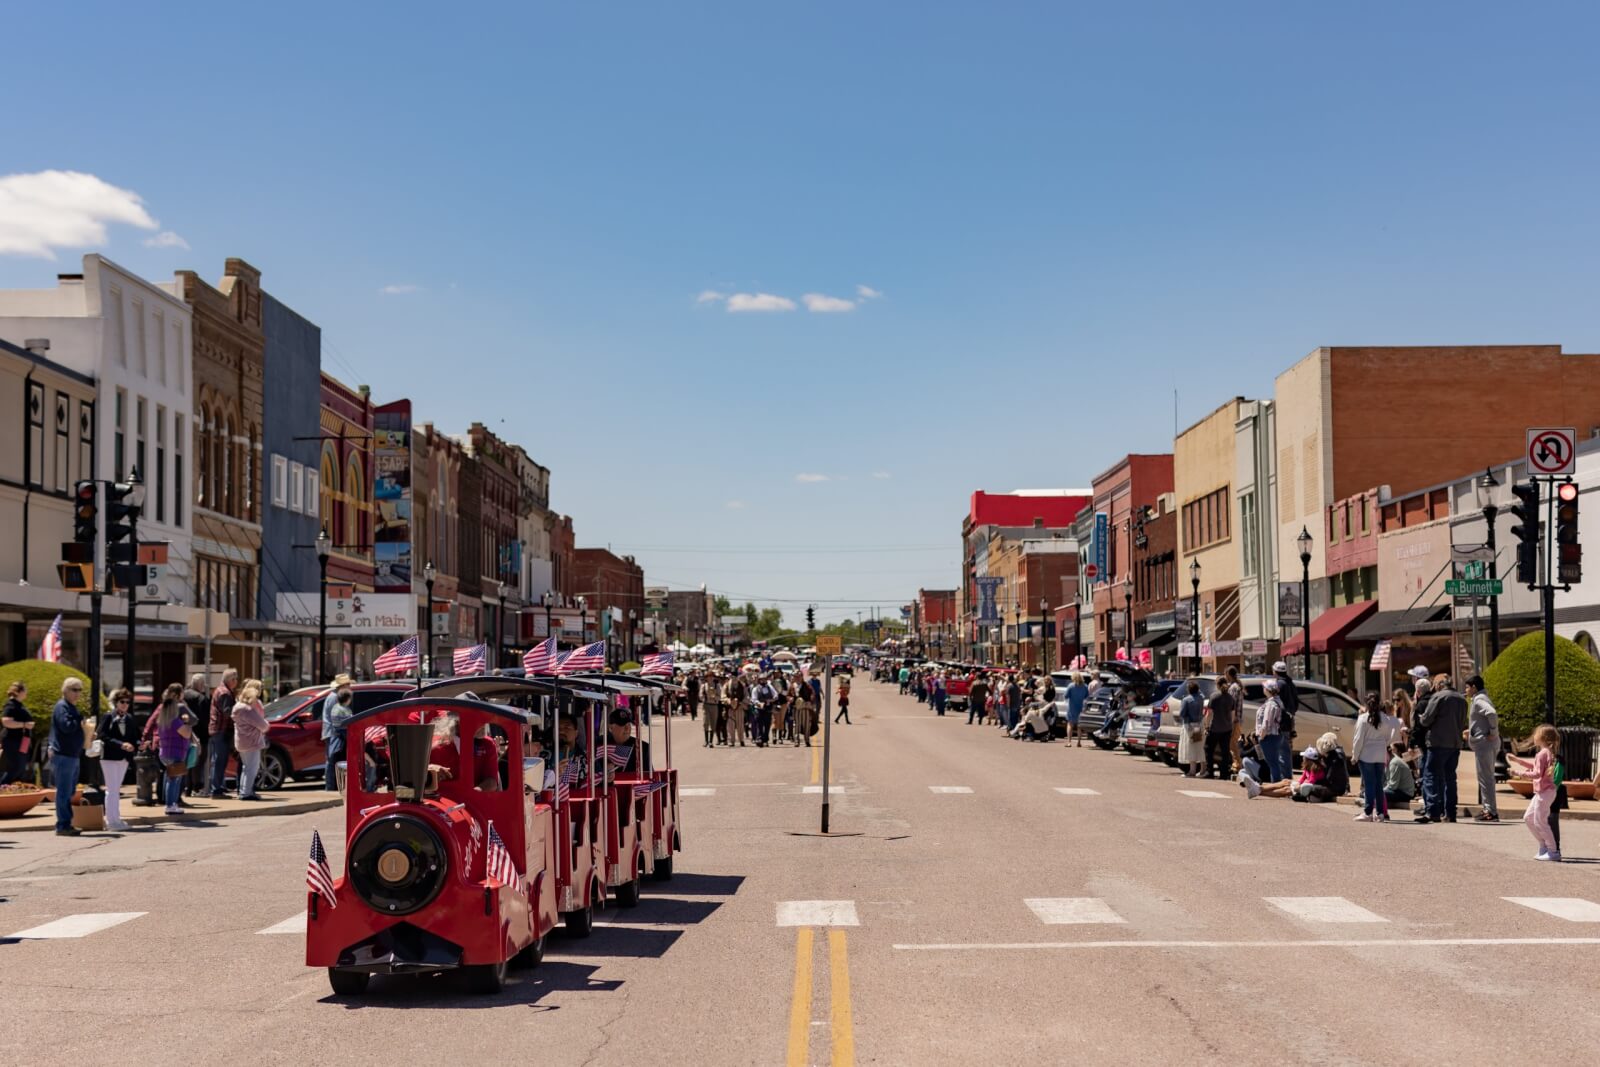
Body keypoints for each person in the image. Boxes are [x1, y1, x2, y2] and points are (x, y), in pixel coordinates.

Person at [1414, 672, 1465, 824]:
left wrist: (1421, 717)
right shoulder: (1462, 699)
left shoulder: (1438, 697)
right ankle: (1450, 813)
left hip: (1437, 743)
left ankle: (1433, 811)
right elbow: (1463, 722)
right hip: (1455, 743)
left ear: (1440, 684)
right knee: (1450, 778)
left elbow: (1426, 720)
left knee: (1431, 776)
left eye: (1435, 684)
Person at [1508, 724, 1561, 861]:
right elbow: (1536, 767)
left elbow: (1537, 773)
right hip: (1542, 792)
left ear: (1542, 737)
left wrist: (1517, 773)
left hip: (1545, 792)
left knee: (1540, 821)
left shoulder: (1543, 753)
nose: (1534, 736)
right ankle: (1544, 846)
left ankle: (1553, 851)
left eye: (1536, 734)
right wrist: (1518, 761)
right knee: (1529, 818)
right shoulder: (1545, 752)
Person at [1350, 694, 1401, 822]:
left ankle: (1367, 812)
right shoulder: (1386, 719)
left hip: (1366, 755)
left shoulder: (1363, 719)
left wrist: (1354, 756)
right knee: (1379, 785)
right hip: (1380, 755)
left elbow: (1358, 740)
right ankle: (1380, 813)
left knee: (1369, 784)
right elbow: (1389, 736)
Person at [47, 677, 87, 836]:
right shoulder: (62, 707)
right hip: (63, 755)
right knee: (64, 791)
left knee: (69, 791)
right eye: (74, 690)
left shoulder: (70, 707)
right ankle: (63, 825)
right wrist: (79, 720)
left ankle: (65, 823)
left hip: (72, 754)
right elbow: (66, 727)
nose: (78, 693)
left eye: (79, 690)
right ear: (66, 691)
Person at [97, 688, 139, 831]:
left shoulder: (130, 718)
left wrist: (139, 744)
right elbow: (102, 735)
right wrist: (121, 744)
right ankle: (110, 821)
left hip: (123, 758)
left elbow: (135, 737)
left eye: (127, 702)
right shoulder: (109, 717)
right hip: (109, 756)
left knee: (116, 788)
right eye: (122, 702)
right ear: (116, 702)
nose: (125, 704)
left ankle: (116, 819)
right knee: (111, 789)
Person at [1464, 675, 1500, 822]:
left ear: (1474, 687)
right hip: (1484, 744)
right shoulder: (1480, 699)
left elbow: (1491, 713)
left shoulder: (1479, 700)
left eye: (1467, 687)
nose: (1466, 690)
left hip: (1485, 745)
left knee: (1486, 779)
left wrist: (1493, 732)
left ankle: (1490, 812)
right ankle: (1489, 809)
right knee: (1486, 778)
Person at [155, 686, 193, 816]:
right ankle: (171, 804)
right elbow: (187, 734)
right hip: (175, 753)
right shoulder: (175, 721)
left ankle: (171, 804)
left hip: (164, 753)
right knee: (174, 780)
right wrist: (187, 722)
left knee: (169, 778)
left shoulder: (162, 721)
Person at [233, 679, 270, 801]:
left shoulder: (238, 707)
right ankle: (246, 793)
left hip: (241, 742)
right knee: (252, 768)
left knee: (246, 767)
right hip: (251, 742)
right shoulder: (248, 710)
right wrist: (266, 724)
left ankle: (244, 791)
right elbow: (263, 726)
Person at [206, 668, 239, 799]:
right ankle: (216, 790)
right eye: (235, 679)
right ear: (231, 680)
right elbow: (228, 712)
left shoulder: (219, 690)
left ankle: (218, 787)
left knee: (218, 760)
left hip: (217, 730)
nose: (236, 682)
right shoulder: (225, 693)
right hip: (221, 730)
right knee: (220, 760)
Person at [181, 673, 210, 798]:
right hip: (200, 735)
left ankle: (186, 789)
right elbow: (205, 719)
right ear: (200, 684)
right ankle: (196, 787)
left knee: (186, 762)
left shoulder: (183, 696)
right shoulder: (201, 698)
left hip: (184, 732)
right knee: (198, 762)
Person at [1255, 679, 1289, 782]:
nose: (1263, 689)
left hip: (1269, 736)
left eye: (1264, 687)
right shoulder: (1278, 701)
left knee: (1273, 763)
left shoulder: (1271, 704)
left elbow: (1266, 722)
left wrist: (1261, 736)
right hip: (1277, 735)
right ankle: (1277, 783)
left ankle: (1276, 784)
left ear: (1268, 690)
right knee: (1274, 762)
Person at [1, 680, 34, 784]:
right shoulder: (10, 705)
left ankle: (13, 791)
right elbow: (6, 722)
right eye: (25, 691)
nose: (26, 693)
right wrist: (24, 725)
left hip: (23, 741)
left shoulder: (19, 705)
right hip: (13, 740)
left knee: (21, 767)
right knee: (16, 767)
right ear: (19, 692)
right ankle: (2, 787)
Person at [323, 681, 354, 792]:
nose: (350, 687)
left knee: (332, 760)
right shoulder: (335, 699)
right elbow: (341, 723)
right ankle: (331, 786)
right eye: (348, 685)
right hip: (336, 735)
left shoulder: (334, 699)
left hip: (334, 734)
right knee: (333, 761)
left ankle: (332, 786)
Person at [1202, 677, 1234, 779]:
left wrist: (1206, 726)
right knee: (1225, 751)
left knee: (1208, 749)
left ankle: (1209, 771)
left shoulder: (1214, 696)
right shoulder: (1230, 698)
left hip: (1215, 728)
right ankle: (1224, 773)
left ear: (1217, 685)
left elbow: (1209, 714)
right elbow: (1233, 715)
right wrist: (1230, 725)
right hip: (1227, 728)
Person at [1176, 679, 1205, 777]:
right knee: (1199, 747)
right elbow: (1201, 694)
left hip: (1189, 725)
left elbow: (1182, 713)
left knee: (1190, 748)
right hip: (1199, 724)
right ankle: (1202, 769)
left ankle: (1192, 771)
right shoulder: (1201, 698)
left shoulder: (1186, 700)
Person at [1383, 745, 1417, 813]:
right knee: (1371, 792)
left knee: (1376, 793)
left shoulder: (1394, 762)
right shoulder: (1389, 761)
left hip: (1405, 793)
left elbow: (1393, 786)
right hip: (1397, 790)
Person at [1064, 673, 1090, 747]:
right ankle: (1079, 742)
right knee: (1079, 726)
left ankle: (1069, 741)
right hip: (1081, 707)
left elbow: (1066, 696)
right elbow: (1087, 696)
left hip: (1072, 707)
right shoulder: (1085, 686)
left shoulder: (1071, 686)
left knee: (1070, 724)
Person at [701, 673, 721, 748]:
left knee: (713, 723)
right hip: (706, 705)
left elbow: (720, 696)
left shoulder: (717, 685)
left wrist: (714, 697)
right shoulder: (704, 685)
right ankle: (706, 741)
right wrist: (705, 698)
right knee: (706, 722)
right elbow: (700, 695)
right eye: (708, 677)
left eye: (711, 677)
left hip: (714, 705)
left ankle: (710, 741)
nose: (710, 678)